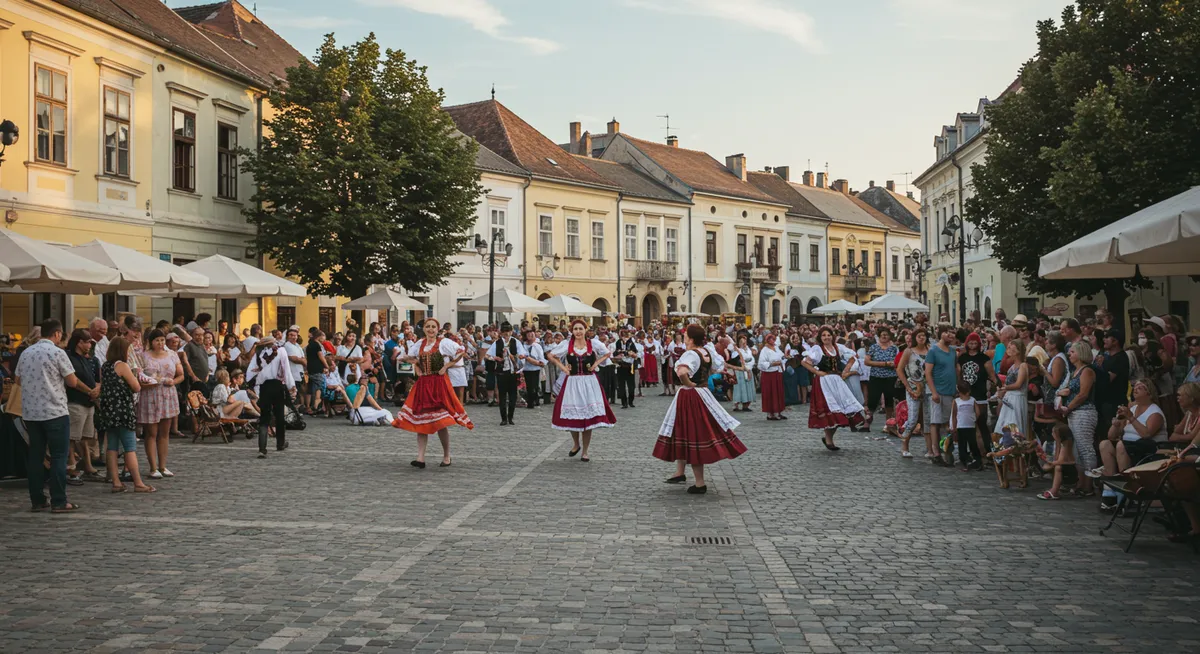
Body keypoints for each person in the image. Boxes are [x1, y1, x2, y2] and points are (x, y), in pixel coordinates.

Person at [652, 324, 747, 494]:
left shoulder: (690, 354)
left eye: (686, 335)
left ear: (690, 338)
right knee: (681, 431)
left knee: (693, 435)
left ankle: (700, 483)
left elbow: (682, 372)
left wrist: (688, 384)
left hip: (691, 396)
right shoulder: (706, 351)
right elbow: (716, 368)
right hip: (702, 393)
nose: (684, 337)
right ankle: (680, 472)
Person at [17, 320, 86, 513]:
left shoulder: (26, 353)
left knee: (36, 456)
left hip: (31, 413)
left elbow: (17, 380)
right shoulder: (57, 353)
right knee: (58, 456)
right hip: (55, 411)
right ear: (57, 334)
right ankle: (59, 500)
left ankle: (37, 499)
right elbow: (72, 381)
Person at [393, 318, 474, 467]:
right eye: (428, 327)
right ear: (424, 329)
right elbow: (407, 357)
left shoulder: (443, 343)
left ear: (437, 329)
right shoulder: (420, 344)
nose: (431, 329)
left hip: (438, 383)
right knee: (421, 420)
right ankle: (420, 458)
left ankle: (446, 456)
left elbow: (461, 351)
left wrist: (447, 365)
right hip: (424, 383)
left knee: (441, 422)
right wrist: (417, 366)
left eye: (433, 327)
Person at [547, 319, 617, 461]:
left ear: (585, 330)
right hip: (573, 383)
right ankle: (576, 443)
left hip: (589, 382)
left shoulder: (593, 344)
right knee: (574, 415)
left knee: (588, 418)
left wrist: (596, 363)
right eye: (575, 329)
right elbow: (551, 355)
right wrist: (563, 368)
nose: (578, 331)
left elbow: (607, 353)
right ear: (572, 331)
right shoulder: (567, 344)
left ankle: (585, 451)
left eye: (580, 329)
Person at [95, 336, 154, 494]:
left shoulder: (105, 366)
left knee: (112, 447)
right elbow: (136, 387)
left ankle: (116, 482)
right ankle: (138, 483)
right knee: (130, 447)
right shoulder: (121, 365)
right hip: (123, 410)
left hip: (109, 411)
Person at [801, 325, 865, 451]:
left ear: (832, 336)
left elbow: (853, 356)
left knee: (841, 411)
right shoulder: (818, 349)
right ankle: (829, 440)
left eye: (828, 335)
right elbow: (805, 362)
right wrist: (817, 372)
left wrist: (846, 369)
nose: (826, 337)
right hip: (824, 382)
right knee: (830, 411)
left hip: (837, 381)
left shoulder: (838, 347)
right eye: (824, 335)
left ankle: (828, 438)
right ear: (820, 337)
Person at [137, 329, 183, 480]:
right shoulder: (143, 356)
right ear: (151, 342)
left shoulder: (171, 354)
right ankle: (153, 467)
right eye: (157, 340)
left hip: (167, 393)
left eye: (162, 340)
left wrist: (173, 381)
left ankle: (163, 465)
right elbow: (138, 374)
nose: (160, 343)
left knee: (164, 432)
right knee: (151, 432)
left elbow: (180, 374)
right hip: (150, 394)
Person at [1059, 341, 1099, 496]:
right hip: (1074, 413)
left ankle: (1089, 484)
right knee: (1076, 451)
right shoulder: (1075, 371)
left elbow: (1083, 394)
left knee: (1085, 448)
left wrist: (1069, 407)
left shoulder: (1087, 371)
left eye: (1073, 352)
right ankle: (1081, 482)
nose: (1070, 354)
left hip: (1084, 412)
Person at [246, 337, 296, 458]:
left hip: (264, 387)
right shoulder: (281, 351)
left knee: (264, 417)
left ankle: (262, 448)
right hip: (277, 385)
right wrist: (291, 385)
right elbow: (286, 370)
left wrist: (256, 384)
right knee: (279, 416)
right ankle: (280, 443)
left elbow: (250, 373)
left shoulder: (259, 354)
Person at [64, 328, 103, 483]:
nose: (89, 345)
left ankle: (87, 466)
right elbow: (73, 380)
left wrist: (97, 389)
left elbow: (95, 378)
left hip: (88, 402)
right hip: (76, 401)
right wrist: (89, 391)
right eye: (87, 342)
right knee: (72, 438)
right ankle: (71, 467)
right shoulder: (69, 357)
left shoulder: (87, 359)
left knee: (86, 437)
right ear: (79, 342)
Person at [897, 328, 931, 459]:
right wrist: (907, 386)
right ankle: (904, 445)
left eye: (924, 336)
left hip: (928, 387)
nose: (921, 338)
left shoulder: (930, 350)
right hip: (913, 386)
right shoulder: (908, 351)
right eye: (919, 336)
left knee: (928, 419)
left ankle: (929, 448)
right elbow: (899, 370)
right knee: (912, 419)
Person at [865, 327, 899, 433]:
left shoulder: (894, 348)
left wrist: (893, 365)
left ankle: (889, 425)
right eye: (882, 334)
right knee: (872, 400)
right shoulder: (874, 347)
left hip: (890, 377)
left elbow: (898, 362)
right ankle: (867, 422)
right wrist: (883, 364)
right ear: (879, 336)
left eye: (886, 334)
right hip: (876, 377)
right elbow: (867, 361)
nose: (884, 336)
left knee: (889, 401)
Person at [489, 322, 522, 425]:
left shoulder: (516, 342)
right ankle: (503, 418)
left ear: (511, 332)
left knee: (512, 396)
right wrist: (495, 358)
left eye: (508, 332)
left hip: (513, 372)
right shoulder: (497, 343)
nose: (506, 334)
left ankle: (510, 417)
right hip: (501, 372)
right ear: (501, 333)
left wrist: (516, 357)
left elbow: (523, 354)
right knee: (502, 396)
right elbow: (488, 355)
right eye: (504, 332)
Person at [1037, 424, 1078, 500]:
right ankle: (1057, 488)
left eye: (1053, 433)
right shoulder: (1062, 443)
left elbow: (1061, 461)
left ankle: (1054, 491)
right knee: (1050, 466)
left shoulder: (1066, 444)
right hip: (1068, 468)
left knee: (1057, 467)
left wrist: (1050, 463)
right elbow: (1057, 458)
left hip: (1070, 471)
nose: (1052, 434)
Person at [950, 380, 982, 470]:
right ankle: (973, 460)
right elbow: (977, 412)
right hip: (966, 425)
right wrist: (973, 418)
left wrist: (955, 425)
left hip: (964, 425)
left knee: (965, 445)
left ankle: (969, 461)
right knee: (969, 444)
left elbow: (954, 415)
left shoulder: (959, 401)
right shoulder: (968, 400)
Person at [757, 333, 786, 420]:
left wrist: (785, 357)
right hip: (769, 374)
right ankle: (770, 413)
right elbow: (761, 364)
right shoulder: (764, 350)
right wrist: (772, 363)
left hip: (777, 373)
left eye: (773, 339)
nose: (772, 341)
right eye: (771, 339)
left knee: (778, 393)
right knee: (770, 393)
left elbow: (782, 357)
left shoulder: (776, 348)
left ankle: (778, 411)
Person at [613, 327, 640, 409]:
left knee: (631, 385)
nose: (624, 338)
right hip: (621, 366)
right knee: (621, 386)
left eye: (626, 336)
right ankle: (624, 403)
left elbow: (635, 354)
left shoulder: (631, 343)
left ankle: (631, 401)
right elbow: (615, 353)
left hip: (629, 366)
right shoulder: (618, 342)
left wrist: (628, 353)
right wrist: (619, 353)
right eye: (623, 336)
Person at [520, 328, 545, 410]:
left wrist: (539, 362)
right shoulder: (523, 346)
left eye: (532, 335)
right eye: (529, 335)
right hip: (526, 368)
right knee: (529, 386)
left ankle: (535, 400)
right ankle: (530, 402)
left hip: (536, 368)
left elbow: (541, 357)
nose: (531, 336)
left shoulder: (537, 346)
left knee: (535, 385)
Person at [730, 333, 756, 412]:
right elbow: (736, 360)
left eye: (745, 342)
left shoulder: (748, 350)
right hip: (740, 371)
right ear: (739, 343)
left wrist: (749, 366)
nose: (744, 344)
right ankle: (736, 405)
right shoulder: (737, 351)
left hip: (749, 369)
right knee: (739, 388)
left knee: (748, 387)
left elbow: (752, 358)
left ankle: (746, 405)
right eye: (742, 342)